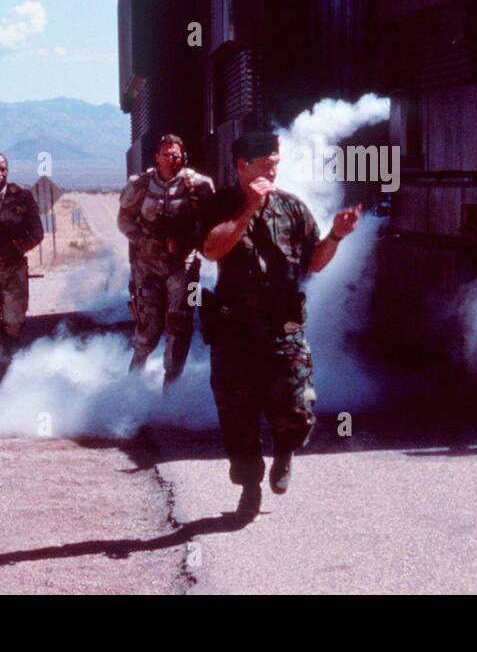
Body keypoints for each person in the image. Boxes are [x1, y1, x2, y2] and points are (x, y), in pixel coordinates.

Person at [200, 131, 361, 521]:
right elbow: (210, 248)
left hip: (283, 325)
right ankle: (250, 488)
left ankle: (285, 452)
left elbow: (315, 262)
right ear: (241, 167)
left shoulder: (292, 209)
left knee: (297, 405)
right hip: (235, 326)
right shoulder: (221, 204)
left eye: (275, 164)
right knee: (237, 414)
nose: (272, 171)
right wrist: (247, 210)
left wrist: (336, 235)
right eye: (263, 165)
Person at [118, 134, 215, 384]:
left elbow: (209, 224)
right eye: (167, 154)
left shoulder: (199, 186)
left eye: (177, 155)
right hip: (146, 266)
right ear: (157, 156)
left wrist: (185, 241)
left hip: (184, 267)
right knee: (147, 328)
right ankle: (131, 385)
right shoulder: (140, 185)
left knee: (180, 324)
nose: (172, 159)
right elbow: (124, 221)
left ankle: (171, 390)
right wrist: (144, 240)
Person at [0, 154, 45, 382]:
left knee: (14, 322)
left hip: (14, 268)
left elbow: (37, 232)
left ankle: (12, 369)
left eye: (3, 169)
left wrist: (18, 245)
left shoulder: (21, 197)